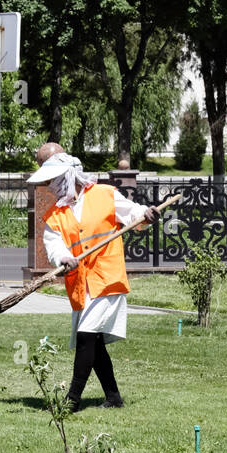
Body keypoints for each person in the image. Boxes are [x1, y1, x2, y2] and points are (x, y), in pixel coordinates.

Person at [29, 152, 158, 410]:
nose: (51, 187)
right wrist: (64, 259)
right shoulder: (56, 215)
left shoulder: (104, 195)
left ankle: (72, 401)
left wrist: (146, 213)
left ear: (69, 177)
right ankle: (113, 398)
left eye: (55, 180)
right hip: (81, 284)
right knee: (95, 344)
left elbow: (133, 213)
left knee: (86, 335)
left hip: (106, 278)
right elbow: (54, 246)